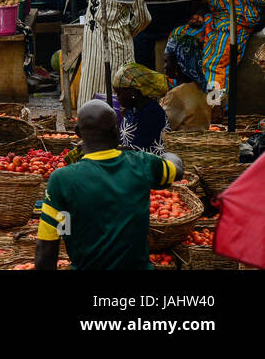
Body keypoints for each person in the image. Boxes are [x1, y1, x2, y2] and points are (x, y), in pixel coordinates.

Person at [35, 100, 183, 270]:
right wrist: (166, 155)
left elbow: (46, 250)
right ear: (117, 131)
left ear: (77, 133)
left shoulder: (61, 179)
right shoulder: (142, 164)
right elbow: (177, 169)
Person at [164, 0, 265, 98]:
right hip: (212, 17)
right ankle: (177, 99)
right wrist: (200, 14)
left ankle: (215, 107)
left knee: (215, 65)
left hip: (236, 21)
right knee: (178, 36)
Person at [77, 0, 150, 106]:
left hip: (115, 50)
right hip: (95, 47)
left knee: (116, 95)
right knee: (92, 92)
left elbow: (143, 19)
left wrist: (124, 32)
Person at [104, 63, 171, 154]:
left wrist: (105, 150)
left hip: (149, 164)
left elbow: (136, 149)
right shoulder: (133, 109)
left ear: (133, 93)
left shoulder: (152, 112)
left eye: (119, 93)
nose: (117, 98)